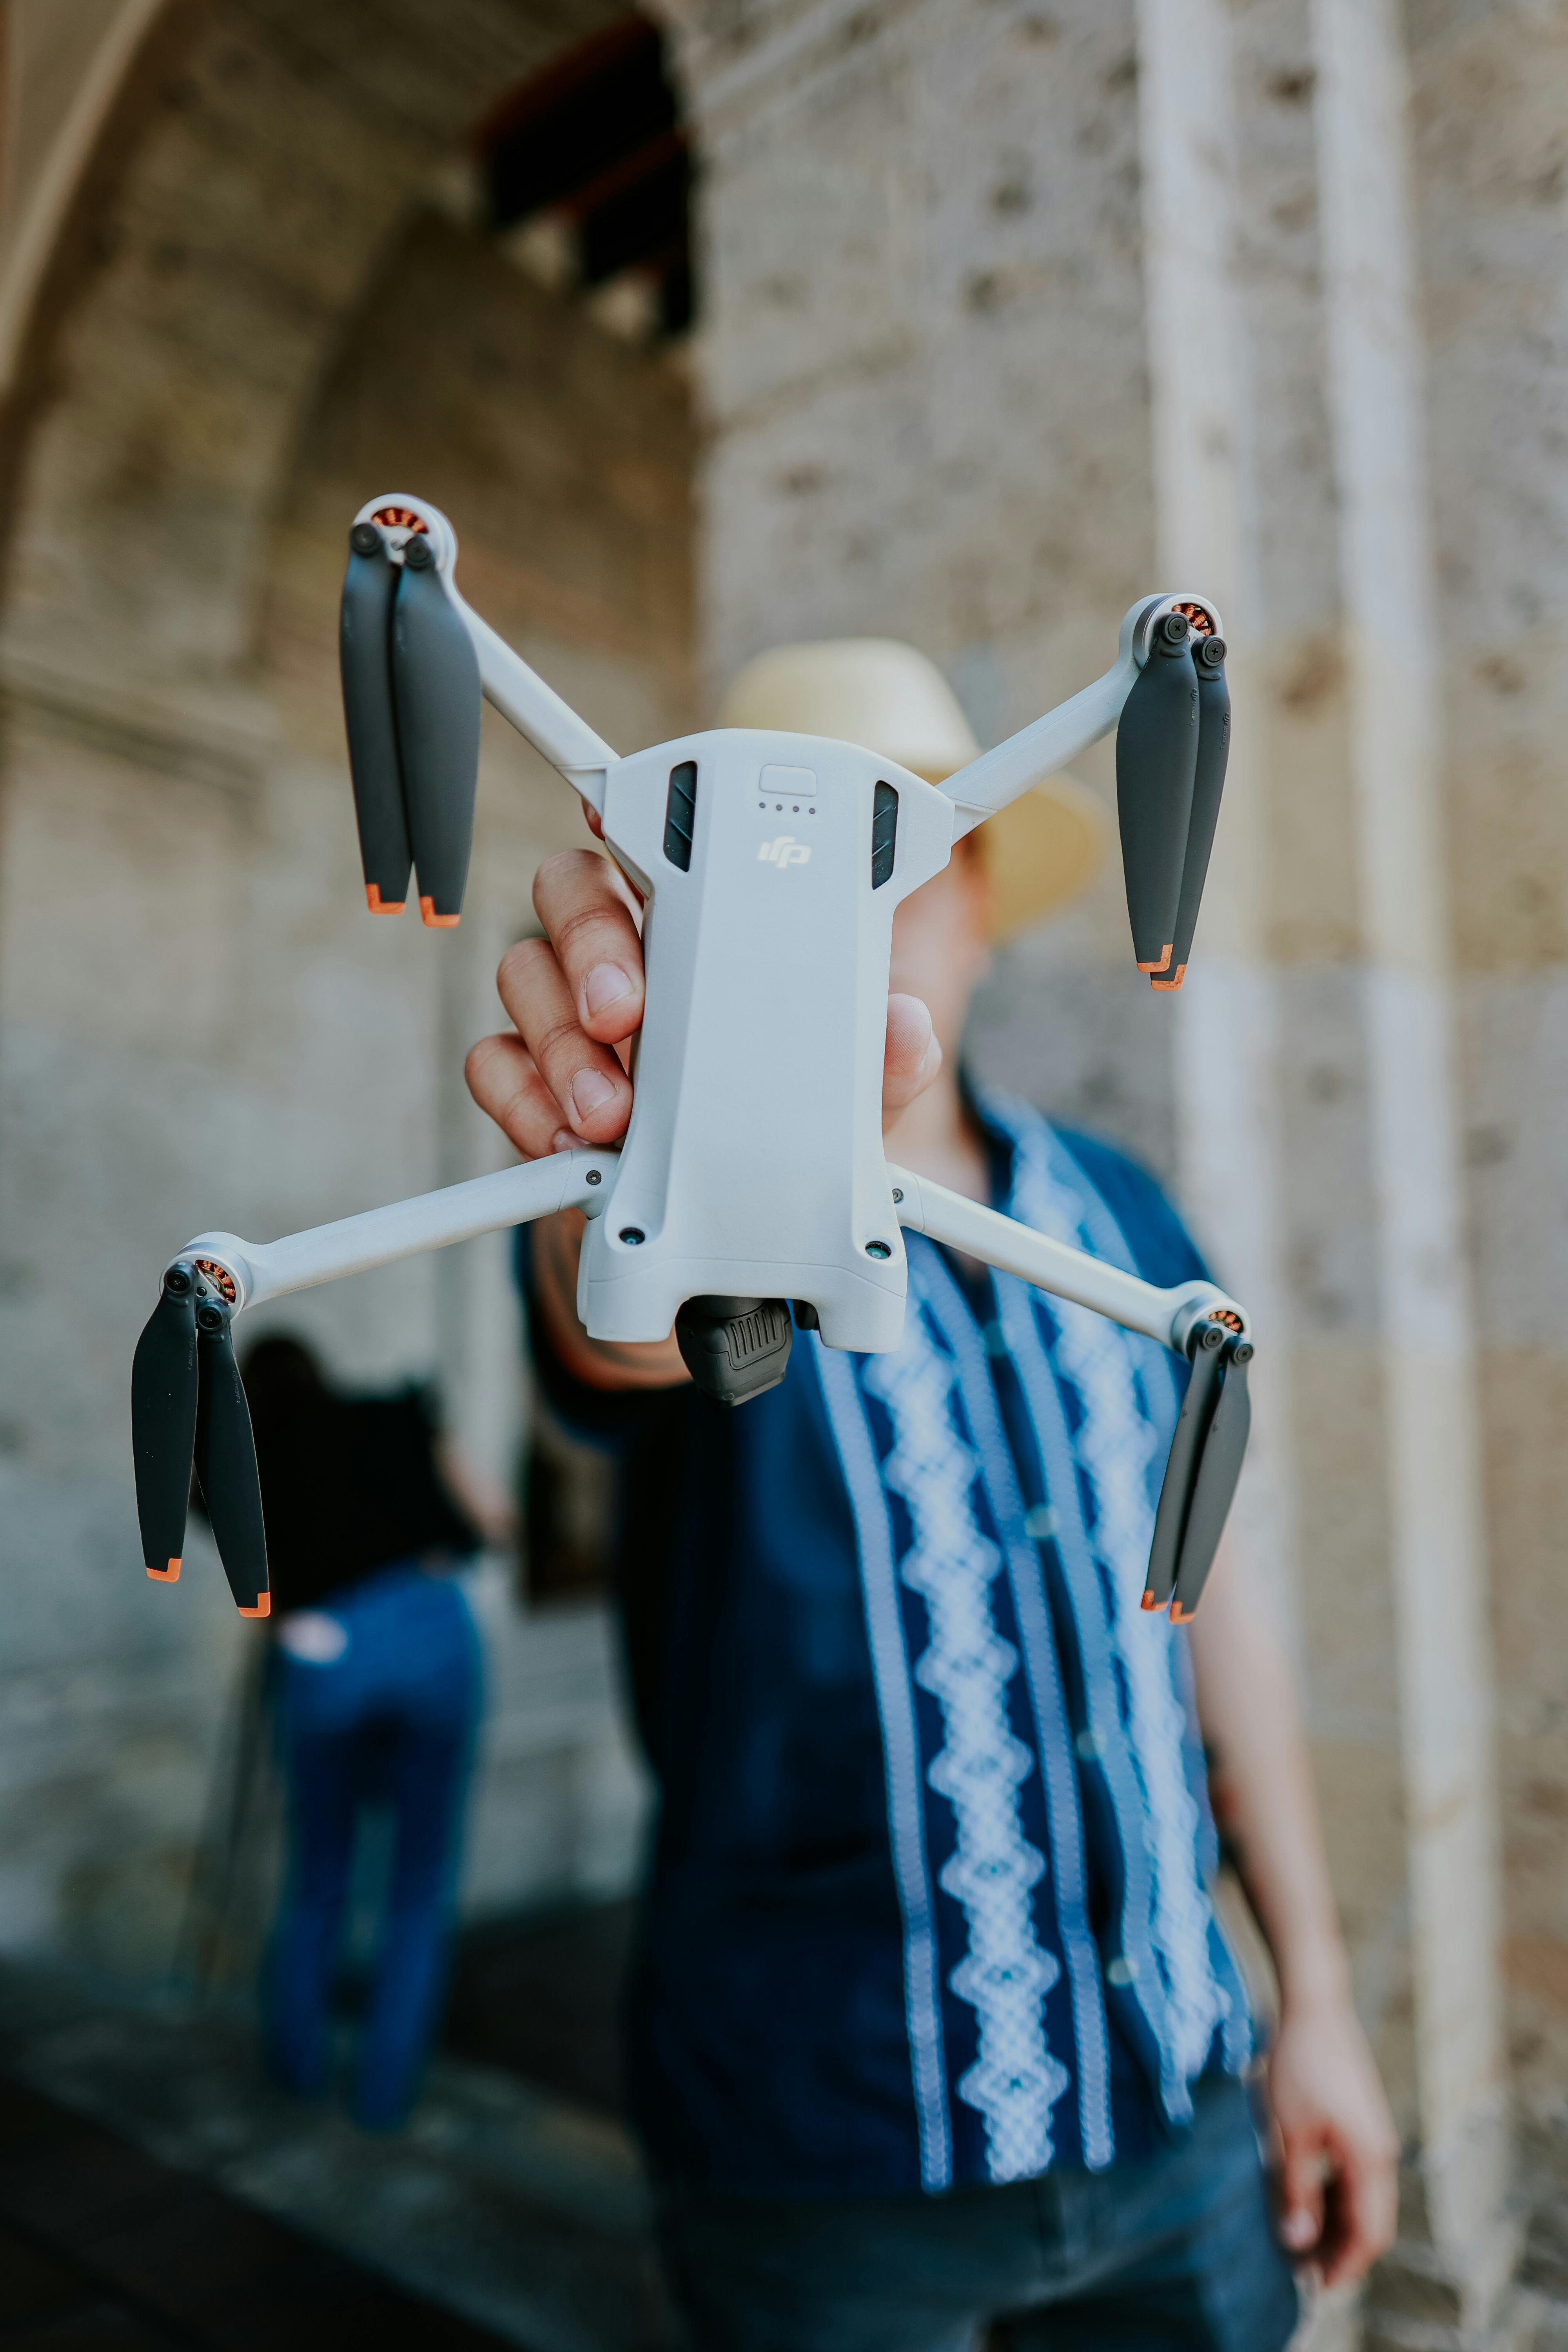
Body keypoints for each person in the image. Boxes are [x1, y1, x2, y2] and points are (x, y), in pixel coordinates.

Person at [464, 642, 1400, 2349]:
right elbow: (621, 1336)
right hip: (820, 2164)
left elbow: (1207, 1595)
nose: (867, 908)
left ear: (974, 896)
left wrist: (1317, 2000)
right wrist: (634, 1183)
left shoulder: (1118, 1214)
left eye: (907, 852)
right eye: (809, 862)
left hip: (1176, 2107)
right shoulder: (668, 1204)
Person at [241, 1336, 503, 2131]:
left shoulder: (242, 1459)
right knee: (418, 1882)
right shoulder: (395, 1414)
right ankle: (384, 2096)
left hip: (323, 1651)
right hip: (428, 1633)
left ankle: (297, 2072)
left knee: (319, 1870)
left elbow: (259, 1597)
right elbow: (493, 1519)